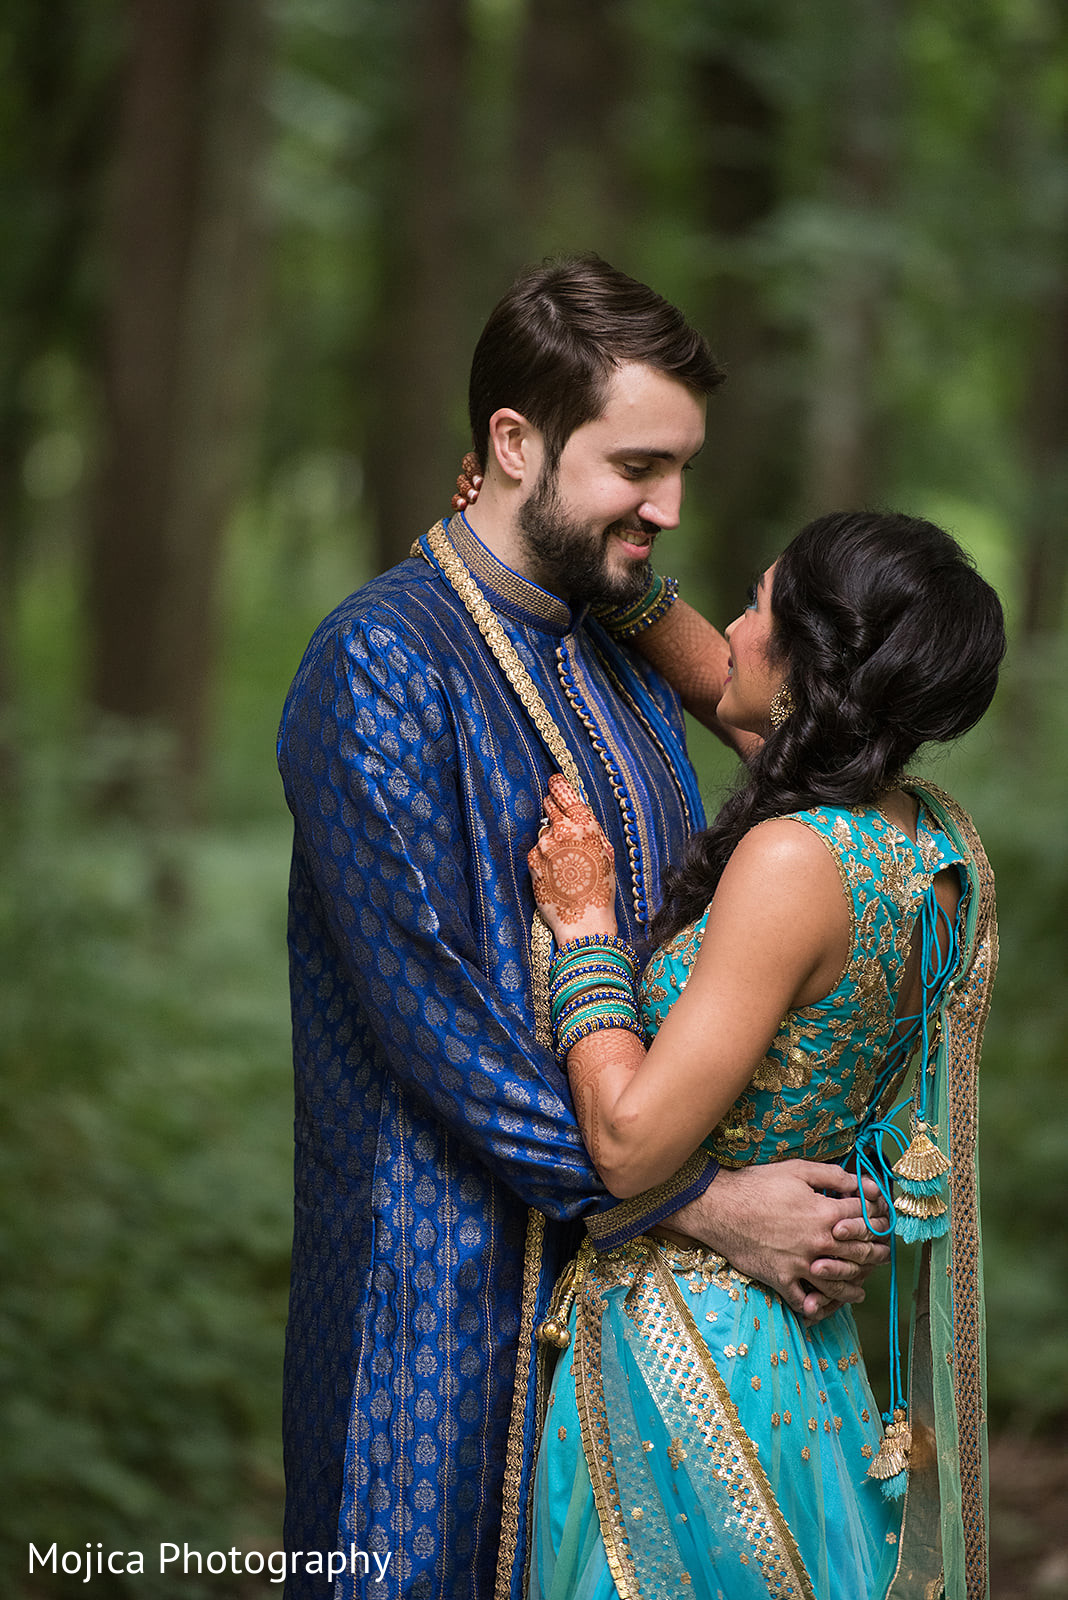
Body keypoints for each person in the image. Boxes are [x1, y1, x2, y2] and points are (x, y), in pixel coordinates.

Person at [277, 256, 890, 1600]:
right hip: (433, 1301)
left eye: (682, 469)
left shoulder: (615, 650)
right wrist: (704, 1204)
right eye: (636, 468)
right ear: (514, 442)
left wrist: (633, 592)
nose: (669, 507)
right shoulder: (378, 664)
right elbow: (436, 1021)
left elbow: (784, 733)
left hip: (629, 1325)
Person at [524, 510, 1004, 1599]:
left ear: (808, 668)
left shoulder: (792, 863)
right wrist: (611, 560)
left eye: (754, 608)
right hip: (804, 1357)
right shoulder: (927, 847)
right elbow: (737, 689)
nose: (731, 632)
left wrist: (586, 931)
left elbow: (630, 1143)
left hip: (692, 1361)